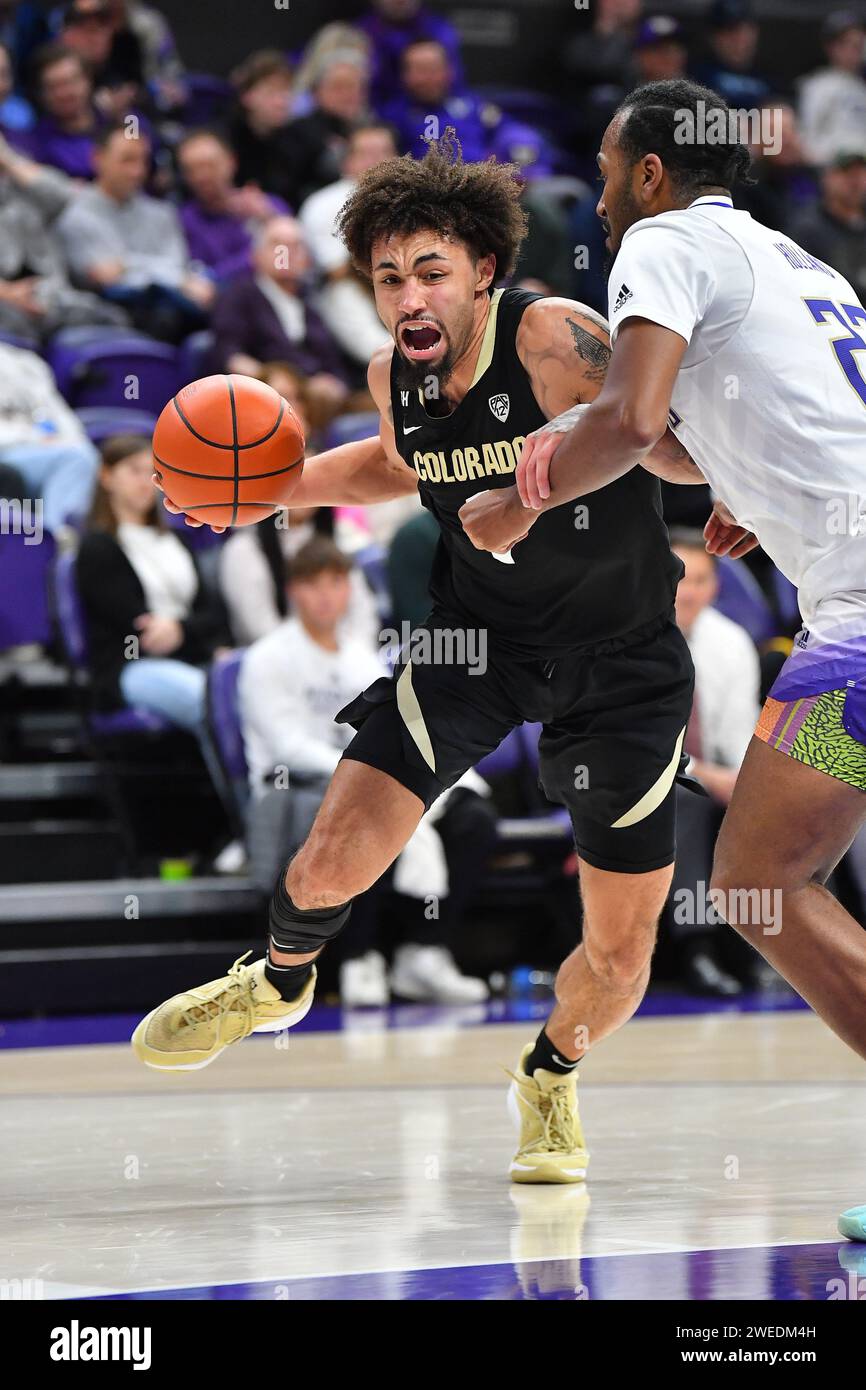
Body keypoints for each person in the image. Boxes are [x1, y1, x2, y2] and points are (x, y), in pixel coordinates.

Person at [132, 136, 744, 1188]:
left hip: (625, 663)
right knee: (330, 850)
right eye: (386, 277)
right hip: (480, 646)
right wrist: (268, 491)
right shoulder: (392, 376)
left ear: (481, 275)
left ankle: (549, 1074)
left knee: (618, 952)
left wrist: (740, 485)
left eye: (429, 272)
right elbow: (389, 461)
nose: (407, 295)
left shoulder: (553, 336)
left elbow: (664, 424)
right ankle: (278, 978)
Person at [458, 77, 866, 1231]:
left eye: (600, 174)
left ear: (645, 174)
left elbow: (634, 424)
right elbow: (740, 433)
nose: (591, 201)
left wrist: (525, 493)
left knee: (755, 881)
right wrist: (755, 492)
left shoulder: (664, 244)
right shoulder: (799, 263)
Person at [239, 535, 491, 1006]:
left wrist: (454, 777)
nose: (327, 595)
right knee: (359, 817)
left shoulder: (362, 656)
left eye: (337, 582)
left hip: (356, 774)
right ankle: (359, 957)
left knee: (471, 817)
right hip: (292, 787)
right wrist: (361, 775)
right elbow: (286, 747)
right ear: (293, 591)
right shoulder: (266, 658)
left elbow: (399, 727)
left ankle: (425, 951)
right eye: (314, 585)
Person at [76, 434, 231, 770]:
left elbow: (213, 614)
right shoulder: (98, 547)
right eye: (133, 470)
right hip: (129, 667)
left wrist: (182, 630)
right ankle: (247, 808)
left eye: (153, 474)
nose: (145, 483)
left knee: (252, 688)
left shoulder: (178, 539)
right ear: (106, 477)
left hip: (191, 656)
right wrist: (191, 635)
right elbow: (142, 633)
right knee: (215, 701)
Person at [667, 528, 761, 997]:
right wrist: (704, 775)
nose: (688, 591)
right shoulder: (618, 639)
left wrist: (750, 785)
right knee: (691, 799)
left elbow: (740, 739)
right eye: (678, 578)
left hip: (706, 772)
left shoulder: (732, 642)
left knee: (783, 800)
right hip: (619, 778)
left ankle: (766, 944)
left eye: (700, 580)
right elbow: (631, 747)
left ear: (715, 587)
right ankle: (696, 947)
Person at [56, 122, 214, 341]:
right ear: (98, 159)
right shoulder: (75, 215)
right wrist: (173, 278)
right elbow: (104, 277)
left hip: (171, 317)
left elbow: (177, 266)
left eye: (143, 161)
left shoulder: (162, 213)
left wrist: (124, 265)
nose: (137, 171)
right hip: (108, 319)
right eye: (127, 160)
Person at [209, 215, 348, 416]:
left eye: (296, 246)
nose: (286, 254)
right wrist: (272, 380)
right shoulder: (239, 296)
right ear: (255, 255)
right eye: (278, 245)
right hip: (262, 399)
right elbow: (228, 353)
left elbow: (333, 363)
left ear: (307, 259)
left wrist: (335, 385)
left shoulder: (311, 303)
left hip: (319, 401)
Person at [297, 120, 395, 364]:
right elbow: (335, 271)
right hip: (351, 288)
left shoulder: (416, 196)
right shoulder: (324, 203)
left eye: (384, 152)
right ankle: (394, 362)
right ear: (347, 161)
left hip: (401, 279)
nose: (378, 160)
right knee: (342, 293)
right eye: (367, 153)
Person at [0, 338, 99, 532]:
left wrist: (65, 440)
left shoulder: (27, 363)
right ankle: (57, 543)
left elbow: (61, 416)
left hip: (41, 450)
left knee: (84, 453)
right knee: (77, 459)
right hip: (8, 449)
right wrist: (35, 438)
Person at [177, 128, 289, 285]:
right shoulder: (184, 220)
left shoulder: (269, 206)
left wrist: (268, 220)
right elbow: (202, 279)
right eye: (192, 169)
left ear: (231, 162)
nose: (202, 176)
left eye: (210, 165)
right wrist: (257, 257)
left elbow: (288, 262)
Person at [380, 39, 494, 163]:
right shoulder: (391, 117)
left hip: (476, 178)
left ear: (449, 72)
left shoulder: (472, 106)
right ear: (405, 75)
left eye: (434, 69)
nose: (428, 78)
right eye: (421, 70)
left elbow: (508, 131)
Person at [789, 150, 866, 307]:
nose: (855, 182)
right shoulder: (807, 230)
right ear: (827, 178)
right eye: (847, 174)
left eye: (860, 175)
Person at [355, 0, 463, 110]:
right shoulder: (360, 35)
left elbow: (455, 86)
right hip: (378, 113)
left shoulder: (440, 31)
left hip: (437, 112)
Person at [798, 10, 866, 168]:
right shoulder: (817, 85)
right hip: (833, 168)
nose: (853, 51)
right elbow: (808, 138)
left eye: (858, 45)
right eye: (846, 44)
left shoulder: (862, 88)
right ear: (831, 47)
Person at [690, 0, 770, 109]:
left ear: (754, 32)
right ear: (713, 37)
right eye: (729, 31)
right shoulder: (698, 75)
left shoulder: (768, 75)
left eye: (743, 31)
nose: (738, 39)